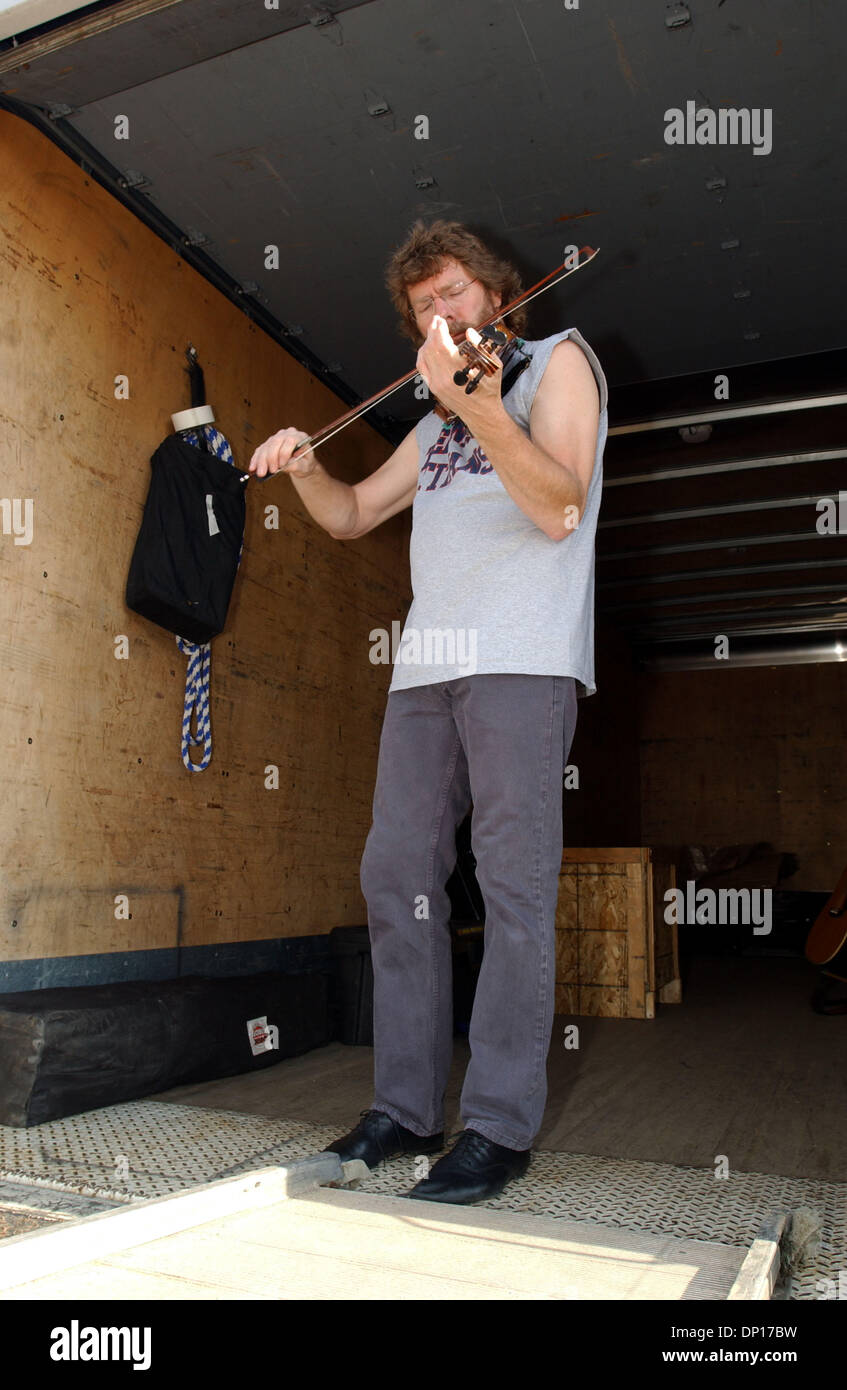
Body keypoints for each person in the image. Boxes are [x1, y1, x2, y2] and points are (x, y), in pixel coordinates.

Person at [248, 220, 608, 1204]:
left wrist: (481, 405)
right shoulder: (435, 422)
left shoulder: (554, 367)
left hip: (521, 660)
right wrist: (305, 466)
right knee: (397, 872)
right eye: (422, 307)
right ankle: (406, 1110)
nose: (440, 314)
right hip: (425, 670)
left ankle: (497, 1126)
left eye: (453, 293)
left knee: (513, 885)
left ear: (494, 294)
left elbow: (560, 507)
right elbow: (355, 513)